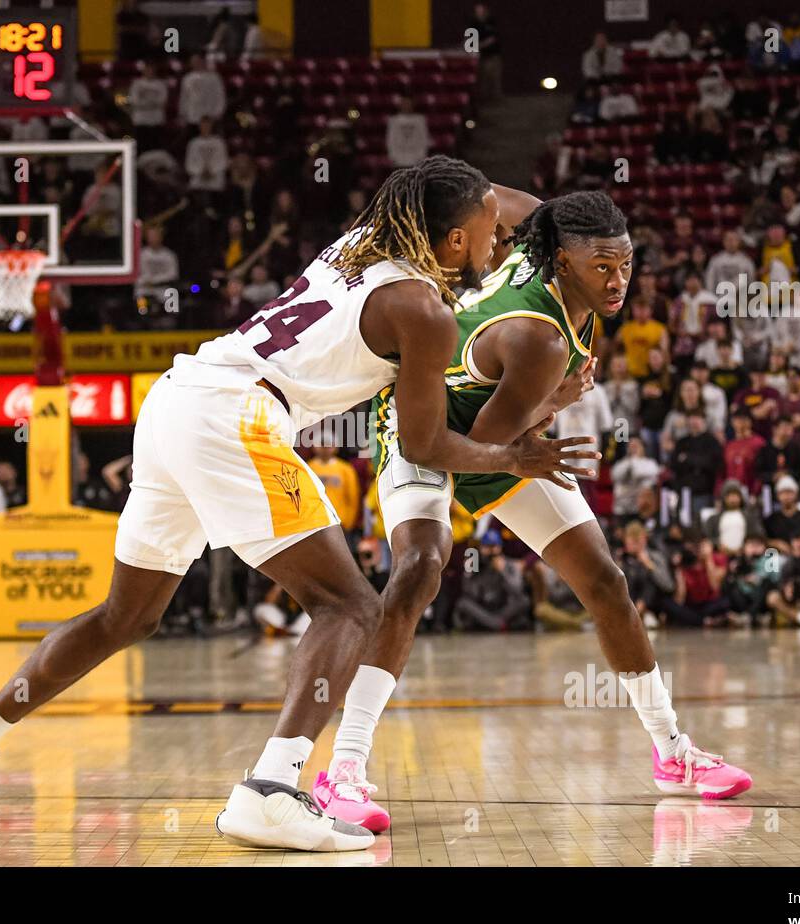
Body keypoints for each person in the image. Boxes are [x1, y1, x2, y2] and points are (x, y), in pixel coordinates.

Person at [0, 157, 578, 852]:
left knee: (127, 616)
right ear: (453, 241)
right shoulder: (424, 310)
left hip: (177, 398)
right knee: (350, 606)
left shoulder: (362, 241)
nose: (501, 238)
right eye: (489, 232)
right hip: (237, 415)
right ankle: (270, 789)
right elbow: (427, 443)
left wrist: (561, 224)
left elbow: (486, 197)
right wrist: (513, 457)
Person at [317, 190, 751, 832]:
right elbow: (486, 452)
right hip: (432, 427)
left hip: (501, 431)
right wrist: (556, 398)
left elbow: (487, 194)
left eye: (626, 264)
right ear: (566, 263)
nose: (618, 280)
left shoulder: (552, 234)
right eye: (603, 267)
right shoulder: (540, 339)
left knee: (606, 581)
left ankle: (674, 754)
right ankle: (343, 768)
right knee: (418, 571)